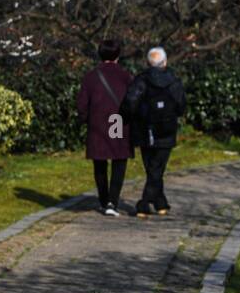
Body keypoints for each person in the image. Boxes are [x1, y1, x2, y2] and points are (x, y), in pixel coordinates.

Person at [123, 46, 186, 218]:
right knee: (156, 169)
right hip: (166, 131)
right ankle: (155, 204)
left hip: (145, 130)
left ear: (148, 63)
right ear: (165, 62)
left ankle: (149, 203)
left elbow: (130, 102)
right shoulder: (174, 81)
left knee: (153, 168)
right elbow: (181, 107)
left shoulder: (141, 80)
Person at [76, 39, 134, 216]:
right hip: (118, 121)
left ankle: (103, 199)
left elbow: (81, 104)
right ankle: (112, 201)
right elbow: (133, 100)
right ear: (118, 55)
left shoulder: (91, 77)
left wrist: (85, 119)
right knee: (119, 159)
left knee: (99, 162)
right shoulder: (125, 76)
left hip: (98, 123)